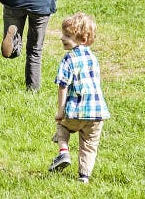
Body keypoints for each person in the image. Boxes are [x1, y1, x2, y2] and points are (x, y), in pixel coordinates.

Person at [48, 13, 110, 183]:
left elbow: (62, 85)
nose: (62, 38)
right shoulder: (93, 58)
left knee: (62, 129)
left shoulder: (69, 58)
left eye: (67, 36)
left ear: (82, 39)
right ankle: (84, 177)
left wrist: (60, 111)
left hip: (77, 111)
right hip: (97, 113)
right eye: (63, 34)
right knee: (89, 146)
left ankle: (63, 154)